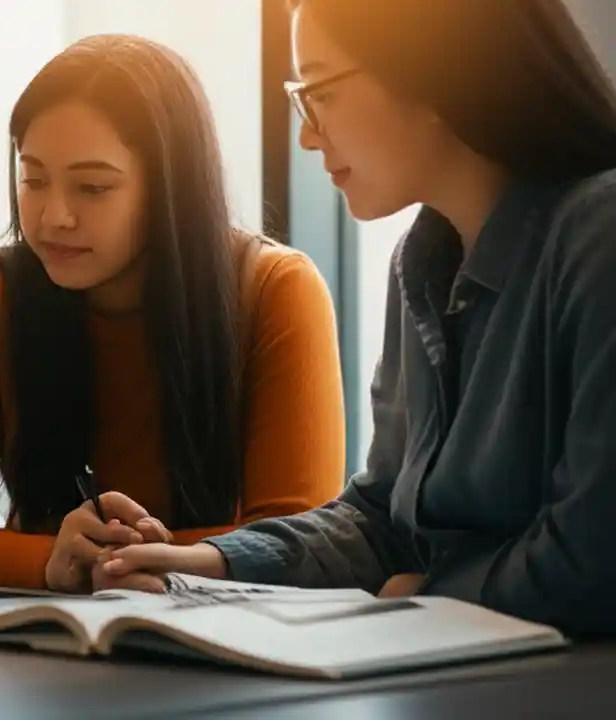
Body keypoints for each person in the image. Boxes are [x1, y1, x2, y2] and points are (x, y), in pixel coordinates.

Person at [99, 0, 616, 635]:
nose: (308, 135)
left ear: (430, 72)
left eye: (319, 92)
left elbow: (594, 563)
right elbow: (382, 520)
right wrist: (210, 564)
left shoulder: (599, 237)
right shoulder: (421, 262)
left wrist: (430, 593)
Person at [0, 35, 347, 593]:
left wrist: (135, 561)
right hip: (39, 637)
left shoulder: (274, 289)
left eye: (93, 188)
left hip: (232, 639)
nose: (54, 215)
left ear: (170, 188)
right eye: (32, 179)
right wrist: (57, 562)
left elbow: (294, 543)